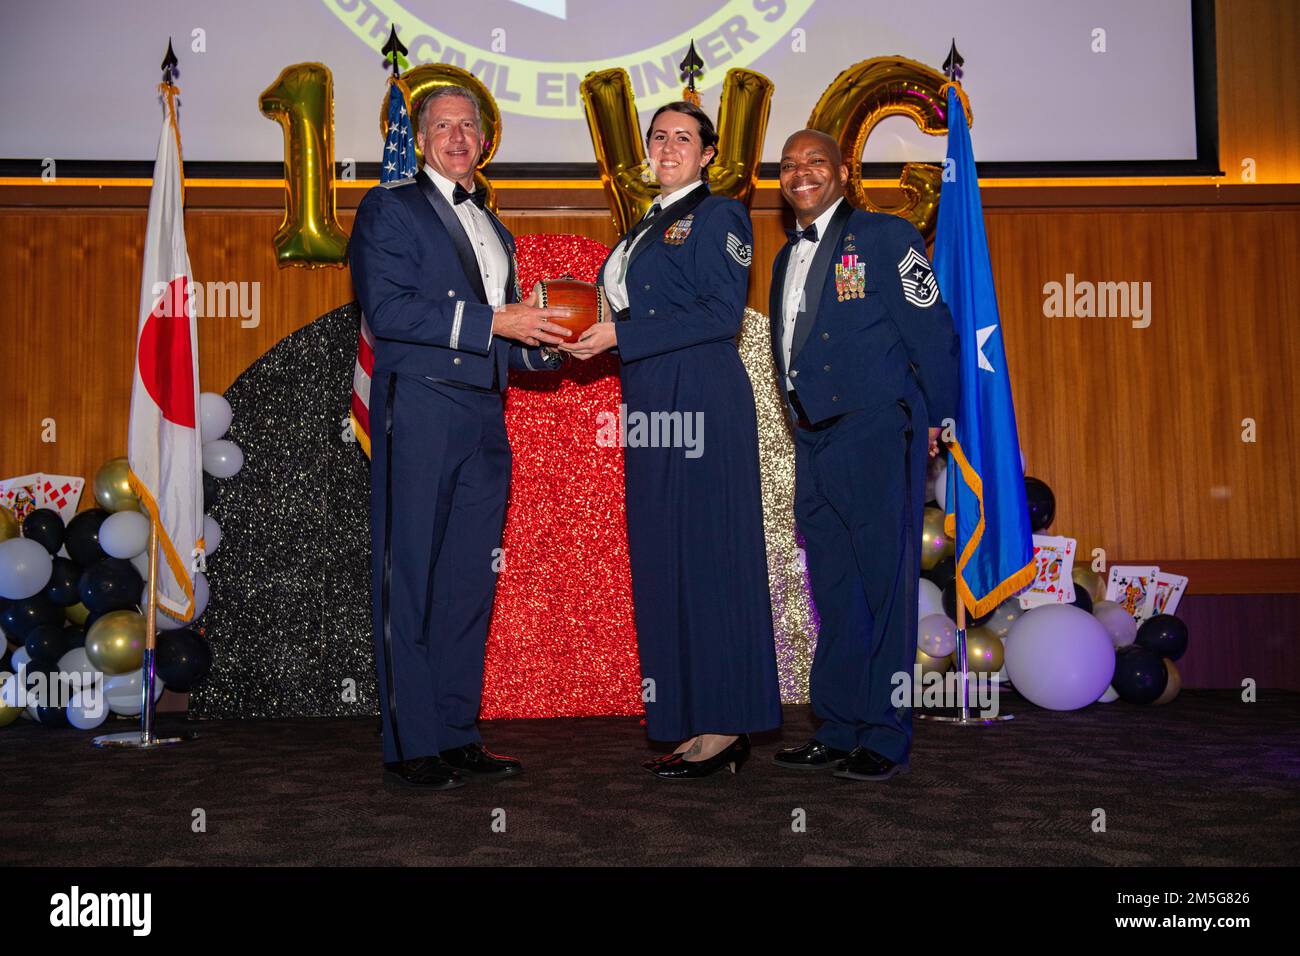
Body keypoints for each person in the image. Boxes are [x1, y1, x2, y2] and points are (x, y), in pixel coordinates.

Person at [349, 86, 570, 790]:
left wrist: (551, 345)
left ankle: (454, 730)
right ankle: (411, 741)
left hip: (483, 415)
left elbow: (505, 337)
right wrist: (494, 325)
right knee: (408, 576)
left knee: (467, 582)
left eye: (468, 125)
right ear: (420, 138)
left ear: (484, 139)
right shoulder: (389, 207)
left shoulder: (497, 229)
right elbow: (389, 309)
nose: (456, 135)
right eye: (441, 125)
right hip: (418, 406)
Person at [562, 101, 781, 778]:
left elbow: (718, 315)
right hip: (651, 401)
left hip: (703, 400)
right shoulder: (643, 227)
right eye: (659, 136)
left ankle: (726, 722)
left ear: (709, 154)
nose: (668, 146)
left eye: (684, 137)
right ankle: (685, 715)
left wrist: (620, 336)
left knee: (711, 558)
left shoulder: (720, 215)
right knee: (666, 559)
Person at [769, 129, 959, 781]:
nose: (800, 173)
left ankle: (885, 731)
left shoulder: (885, 237)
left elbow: (932, 332)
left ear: (844, 172)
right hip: (815, 441)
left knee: (885, 589)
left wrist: (941, 419)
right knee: (837, 590)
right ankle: (840, 724)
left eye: (815, 162)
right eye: (789, 165)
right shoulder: (782, 259)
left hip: (878, 432)